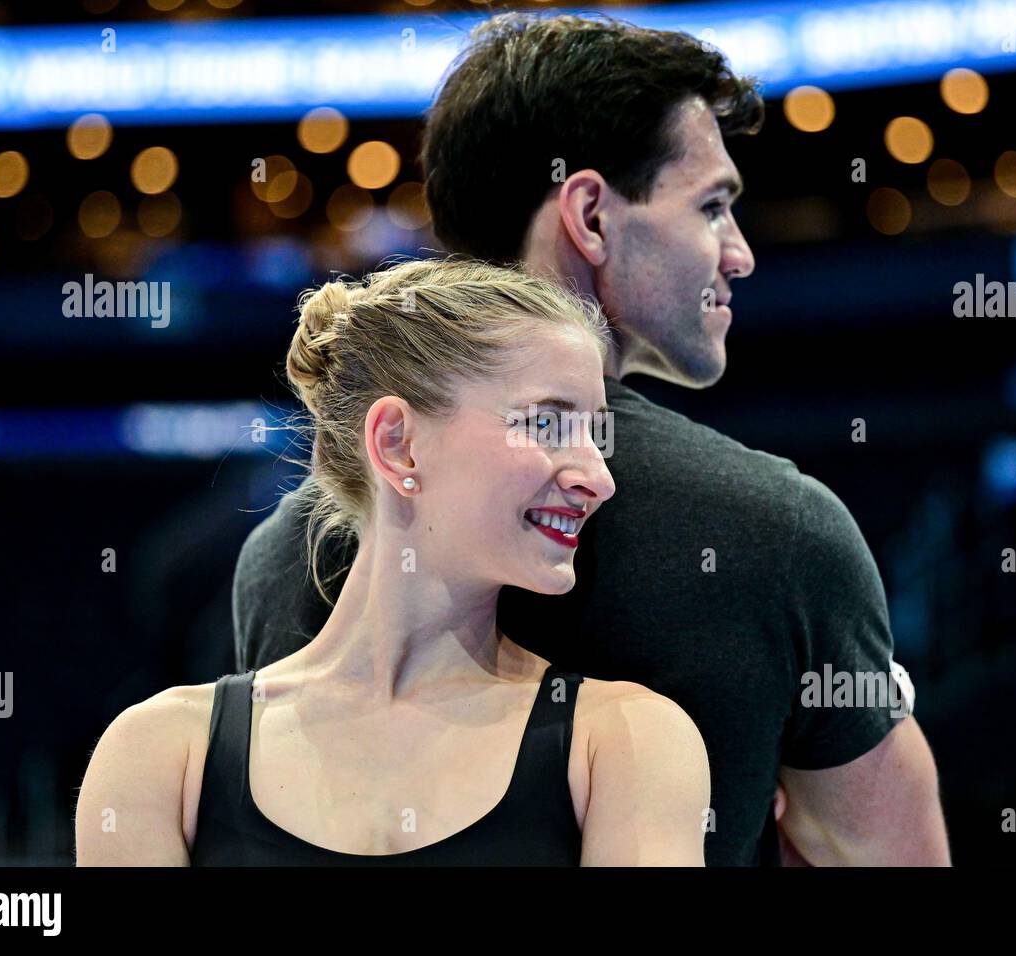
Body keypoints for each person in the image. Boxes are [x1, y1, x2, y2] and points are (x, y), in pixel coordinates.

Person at [235, 12, 951, 866]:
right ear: (591, 217)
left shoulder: (276, 562)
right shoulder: (781, 531)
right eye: (713, 207)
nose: (741, 255)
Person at [75, 258, 711, 866]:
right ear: (397, 444)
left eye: (595, 436)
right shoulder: (161, 756)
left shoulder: (626, 743)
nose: (599, 480)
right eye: (547, 424)